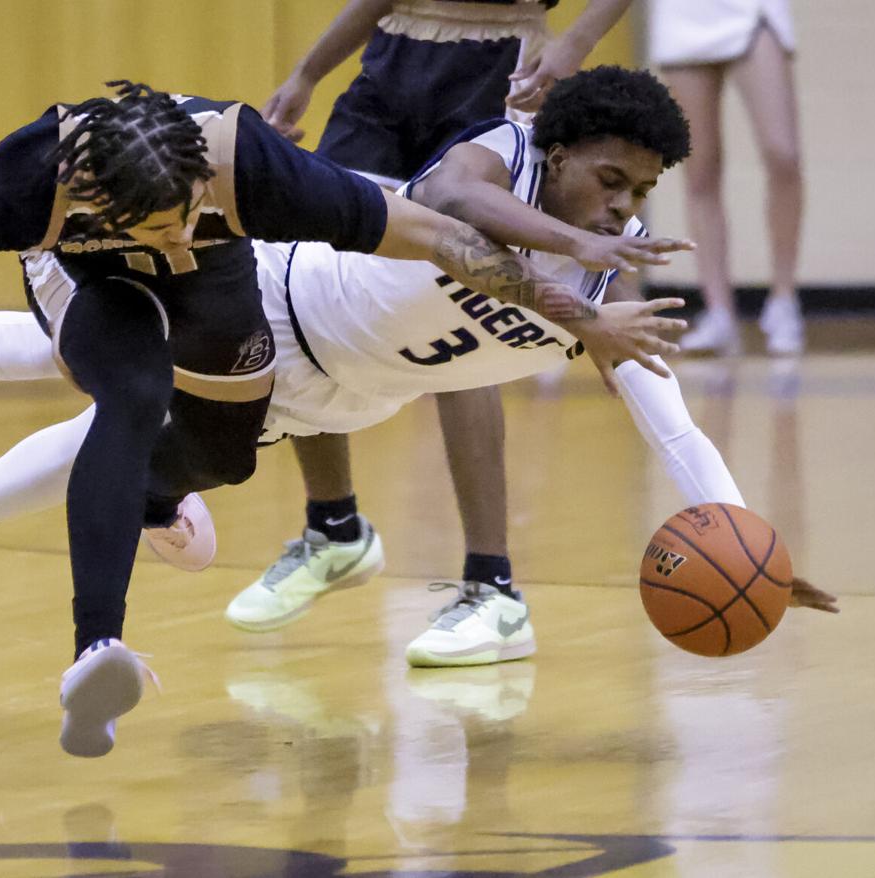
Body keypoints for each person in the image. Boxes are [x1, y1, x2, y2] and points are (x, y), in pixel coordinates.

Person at [0, 78, 667, 757]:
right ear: (88, 192)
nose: (176, 234)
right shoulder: (25, 182)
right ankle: (83, 639)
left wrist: (583, 316)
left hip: (220, 275)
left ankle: (147, 499)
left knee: (222, 452)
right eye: (160, 223)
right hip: (83, 270)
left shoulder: (251, 165)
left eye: (188, 213)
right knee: (125, 387)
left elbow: (441, 235)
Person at [257, 0, 637, 658]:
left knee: (463, 298)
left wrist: (576, 40)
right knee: (309, 267)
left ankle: (492, 585)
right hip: (391, 65)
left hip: (499, 68)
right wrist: (308, 71)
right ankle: (334, 525)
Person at [649, 0, 805, 356]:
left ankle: (784, 301)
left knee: (784, 155)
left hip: (754, 13)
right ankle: (718, 310)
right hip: (682, 15)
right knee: (700, 171)